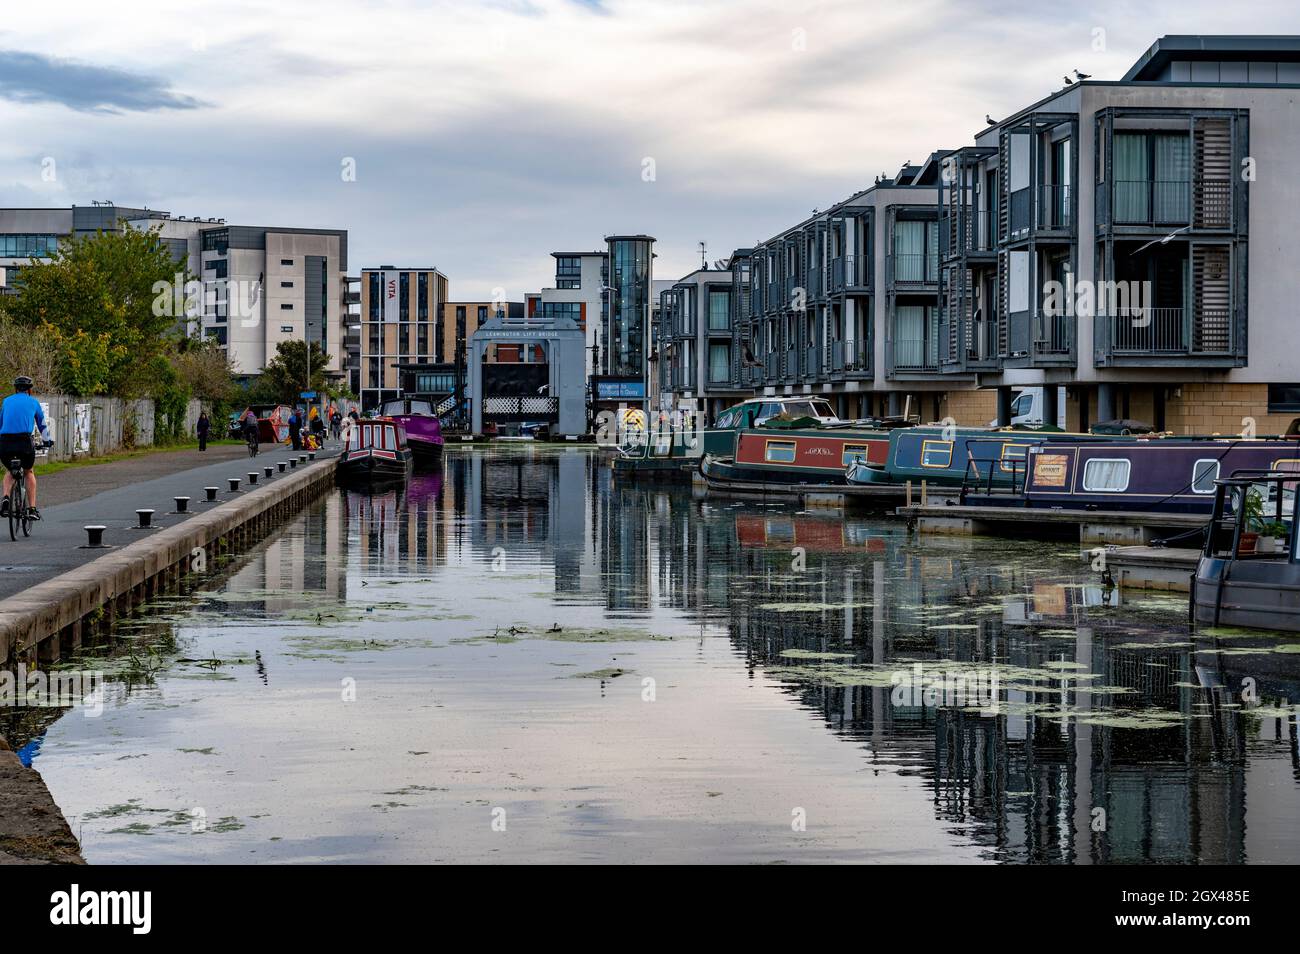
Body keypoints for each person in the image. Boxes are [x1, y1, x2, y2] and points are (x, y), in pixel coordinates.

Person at [0, 376, 52, 521]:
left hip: (5, 442)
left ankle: (5, 498)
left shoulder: (6, 401)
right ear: (30, 390)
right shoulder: (33, 402)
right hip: (24, 442)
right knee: (29, 472)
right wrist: (47, 441)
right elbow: (41, 424)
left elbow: (1, 422)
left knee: (10, 470)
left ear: (15, 389)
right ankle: (32, 509)